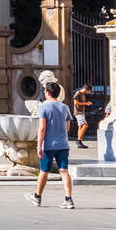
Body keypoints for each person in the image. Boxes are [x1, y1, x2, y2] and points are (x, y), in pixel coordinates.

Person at [27, 72, 74, 209]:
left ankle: (37, 197)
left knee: (44, 171)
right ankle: (68, 199)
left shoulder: (43, 107)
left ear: (47, 92)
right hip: (63, 144)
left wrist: (38, 146)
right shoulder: (64, 107)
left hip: (48, 145)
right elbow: (68, 125)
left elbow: (42, 128)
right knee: (64, 171)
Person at [73, 84, 93, 149]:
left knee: (80, 126)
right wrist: (86, 103)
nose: (89, 92)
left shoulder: (83, 94)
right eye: (89, 91)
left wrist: (87, 102)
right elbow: (75, 103)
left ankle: (80, 142)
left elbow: (81, 102)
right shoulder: (78, 93)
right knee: (85, 125)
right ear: (86, 89)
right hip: (78, 112)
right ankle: (79, 141)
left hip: (81, 112)